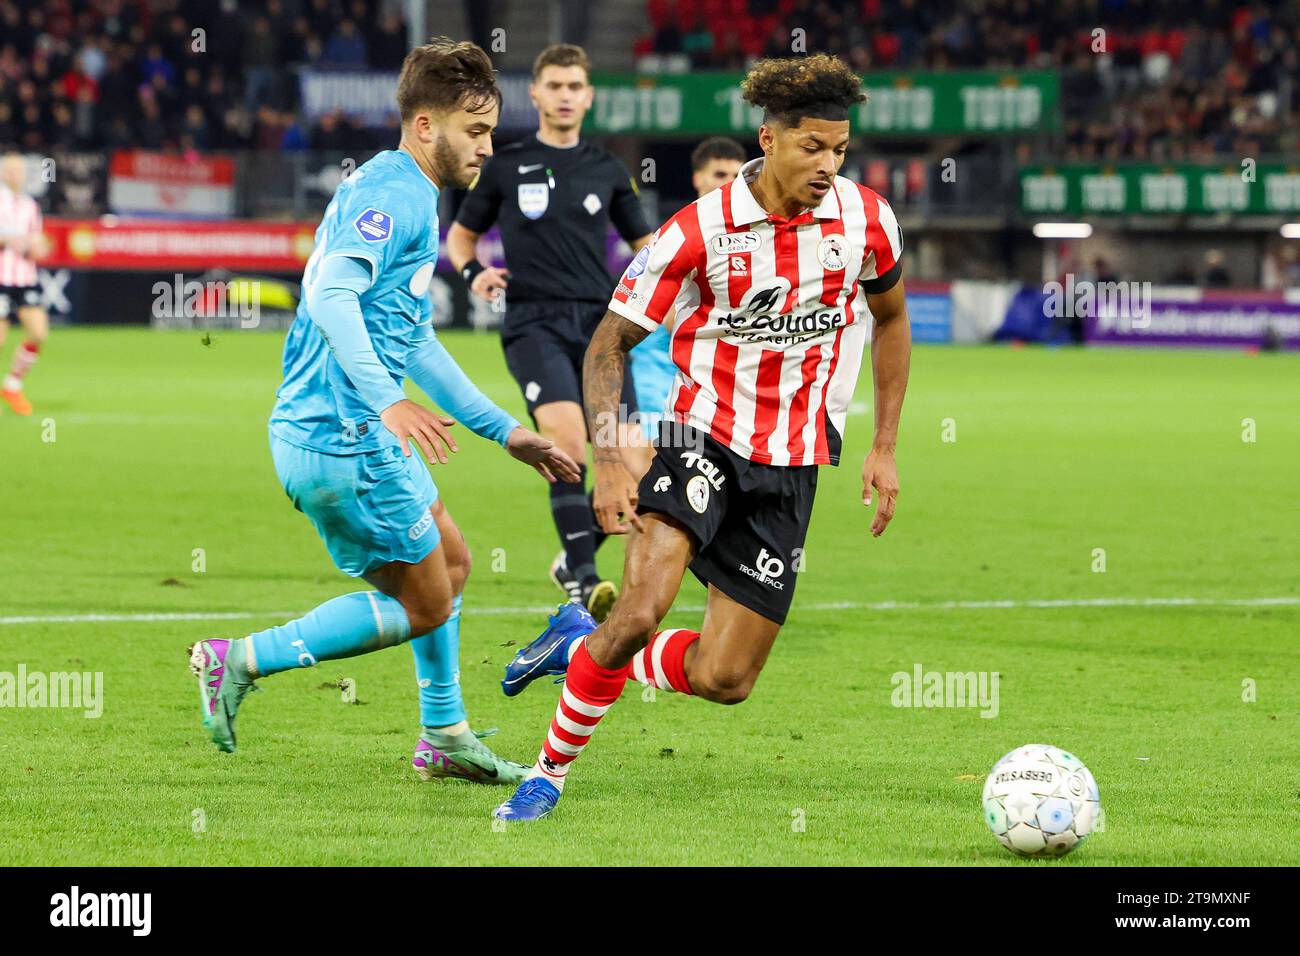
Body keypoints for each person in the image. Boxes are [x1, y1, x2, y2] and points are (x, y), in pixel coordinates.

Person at [493, 54, 912, 821]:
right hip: (700, 441)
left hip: (791, 462)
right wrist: (614, 457)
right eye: (812, 147)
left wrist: (882, 444)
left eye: (841, 149)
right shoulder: (701, 230)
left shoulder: (866, 221)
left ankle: (577, 644)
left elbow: (890, 320)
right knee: (644, 606)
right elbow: (607, 345)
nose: (829, 165)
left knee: (727, 679)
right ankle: (546, 773)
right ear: (769, 138)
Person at [187, 39, 579, 785]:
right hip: (344, 440)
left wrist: (507, 433)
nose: (487, 148)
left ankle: (444, 735)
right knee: (430, 603)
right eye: (475, 130)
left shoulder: (400, 190)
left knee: (454, 561)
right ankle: (237, 658)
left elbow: (416, 339)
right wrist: (389, 400)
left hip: (345, 434)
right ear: (426, 125)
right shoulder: (393, 197)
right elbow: (329, 296)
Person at [447, 44, 654, 621]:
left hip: (600, 329)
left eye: (575, 86)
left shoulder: (608, 170)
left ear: (588, 97)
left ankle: (572, 555)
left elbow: (647, 248)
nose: (565, 95)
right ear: (535, 94)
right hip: (534, 322)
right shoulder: (505, 166)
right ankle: (586, 583)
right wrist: (473, 271)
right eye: (554, 85)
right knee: (566, 438)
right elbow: (460, 238)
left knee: (638, 459)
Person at [625, 136, 748, 480]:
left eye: (737, 178)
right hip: (656, 389)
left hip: (709, 395)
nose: (729, 185)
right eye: (720, 174)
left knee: (654, 499)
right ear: (697, 178)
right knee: (660, 493)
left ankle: (579, 529)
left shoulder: (744, 246)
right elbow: (673, 321)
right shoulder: (675, 239)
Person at [0, 152, 49, 417]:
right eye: (10, 170)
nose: (14, 175)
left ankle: (12, 385)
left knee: (39, 333)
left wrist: (38, 246)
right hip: (1, 279)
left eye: (19, 171)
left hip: (26, 278)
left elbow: (36, 241)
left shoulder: (30, 205)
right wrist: (12, 240)